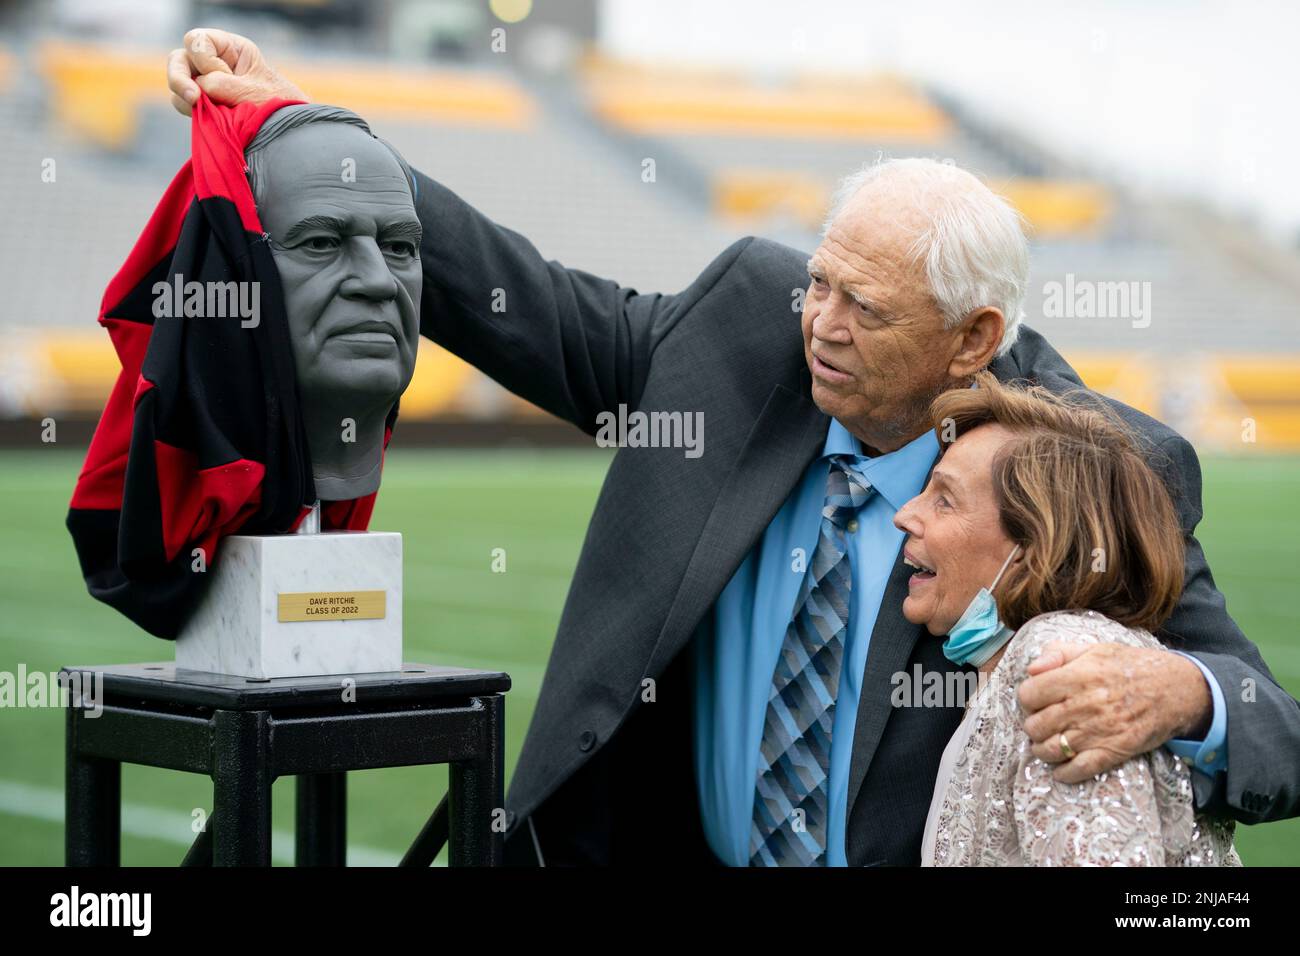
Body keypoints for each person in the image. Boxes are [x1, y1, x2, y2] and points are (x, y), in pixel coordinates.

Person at [158, 30, 1300, 865]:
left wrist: (1179, 691)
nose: (822, 324)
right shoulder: (746, 335)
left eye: (866, 307)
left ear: (974, 340)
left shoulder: (1095, 469)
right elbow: (537, 306)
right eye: (822, 283)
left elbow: (1273, 726)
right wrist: (314, 137)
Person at [893, 372, 1240, 865]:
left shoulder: (1065, 665)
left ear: (1035, 546)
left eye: (944, 500)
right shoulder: (1020, 659)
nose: (904, 514)